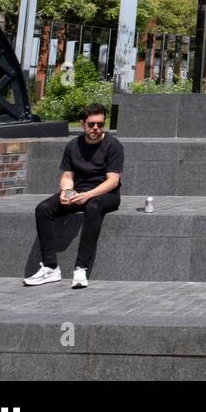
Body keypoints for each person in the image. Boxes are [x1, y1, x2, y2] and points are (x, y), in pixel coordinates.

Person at [24, 103, 124, 289]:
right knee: (43, 208)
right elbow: (67, 176)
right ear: (82, 124)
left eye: (100, 124)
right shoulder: (73, 145)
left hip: (105, 193)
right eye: (91, 124)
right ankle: (50, 267)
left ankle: (81, 268)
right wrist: (67, 193)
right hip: (79, 191)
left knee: (93, 207)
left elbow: (113, 180)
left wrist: (88, 195)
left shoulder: (113, 145)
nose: (96, 128)